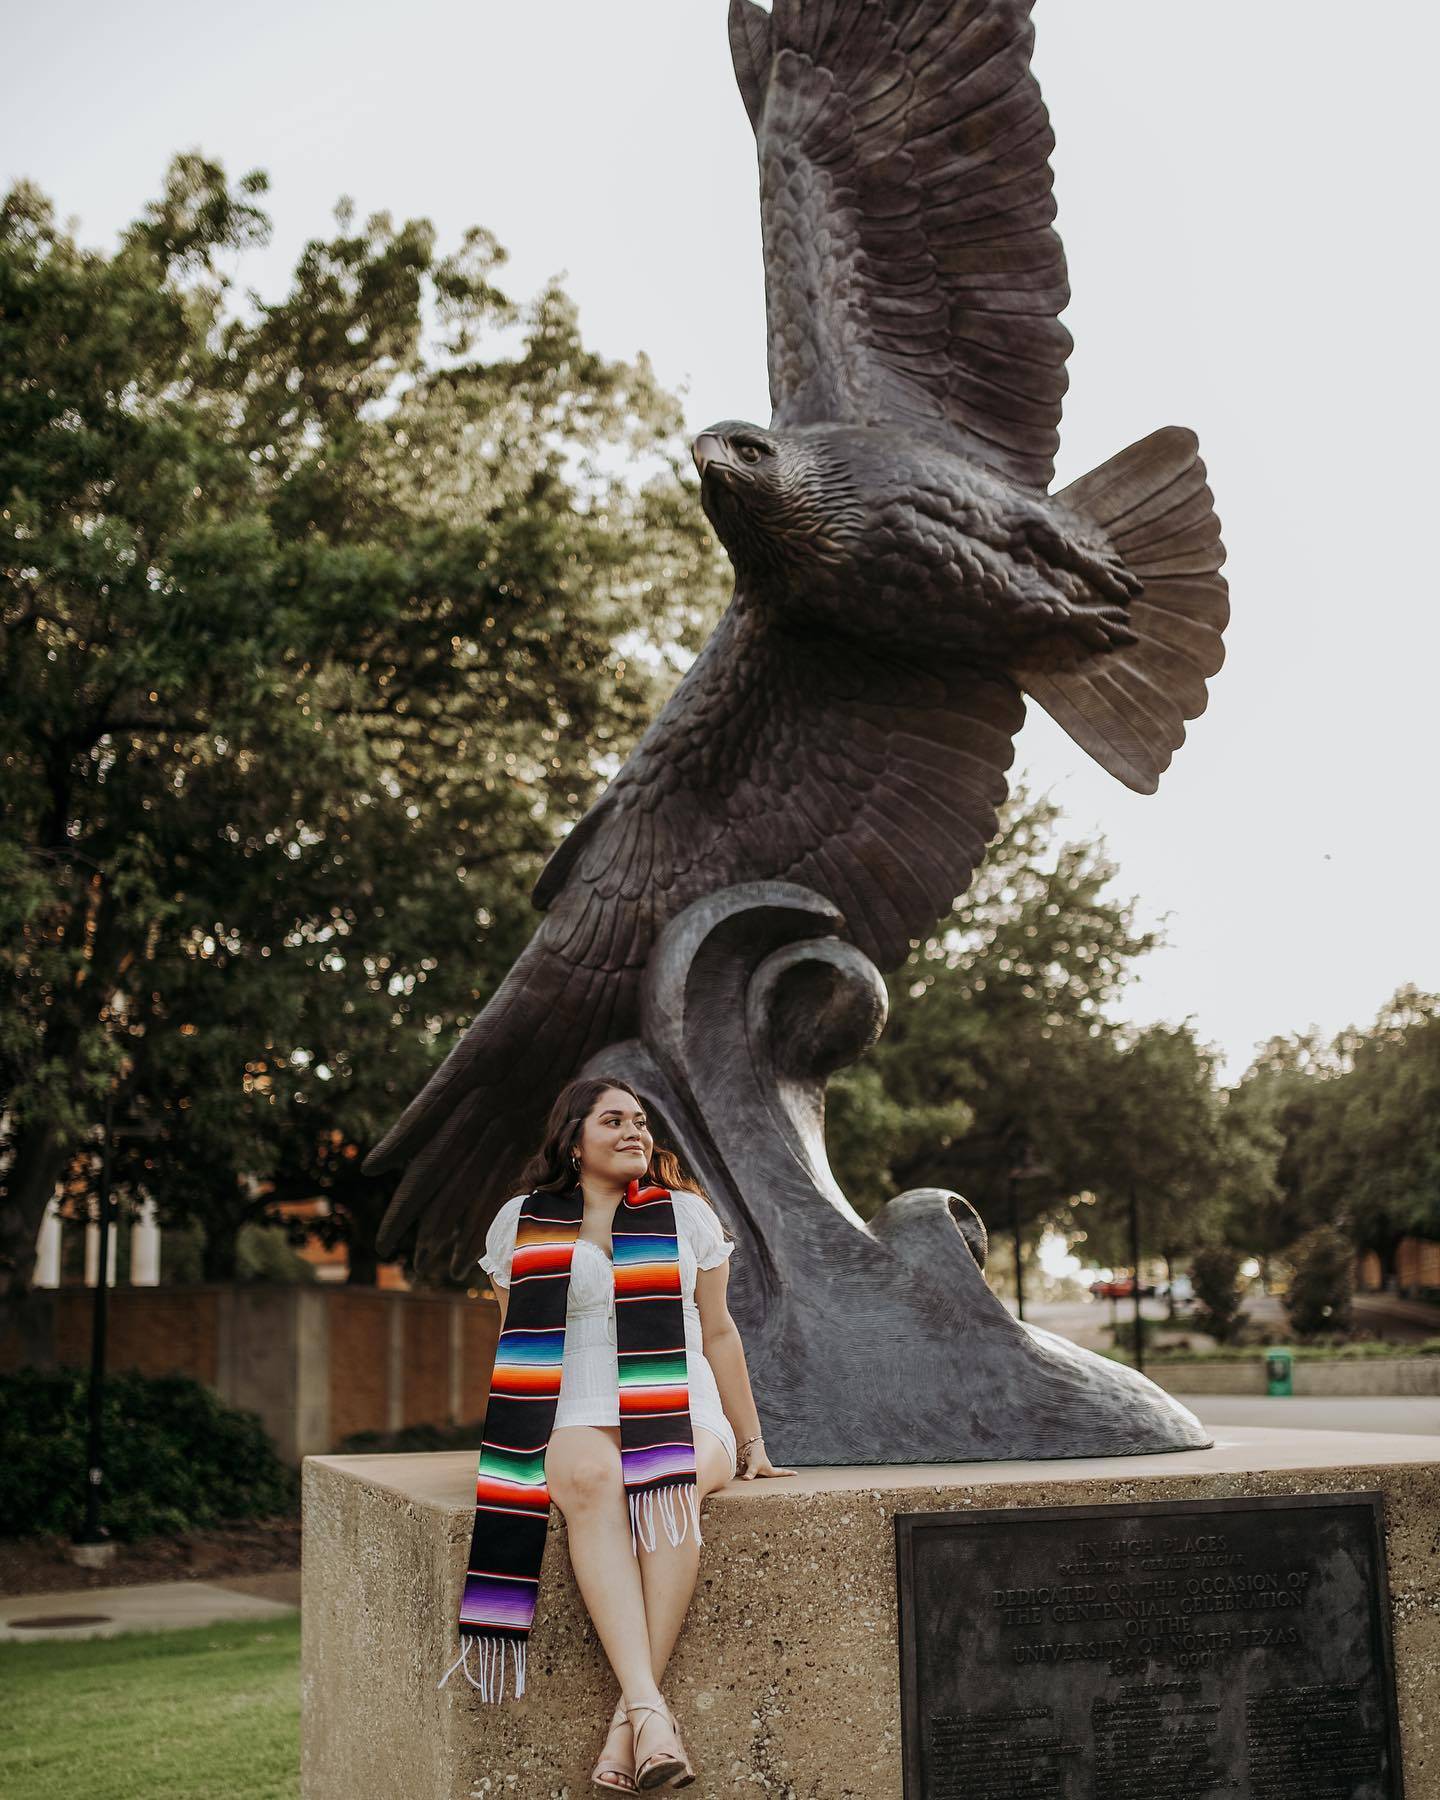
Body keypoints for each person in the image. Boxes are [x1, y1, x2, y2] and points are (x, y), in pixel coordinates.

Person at [477, 1074, 794, 1792]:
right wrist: (518, 1437)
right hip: (575, 1405)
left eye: (642, 1122)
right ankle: (648, 1714)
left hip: (681, 1401)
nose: (635, 1132)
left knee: (667, 1475)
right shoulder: (522, 1222)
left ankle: (636, 1715)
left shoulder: (685, 1216)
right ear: (574, 1138)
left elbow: (718, 1331)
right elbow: (517, 1342)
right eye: (613, 1120)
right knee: (593, 1481)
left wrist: (751, 1442)